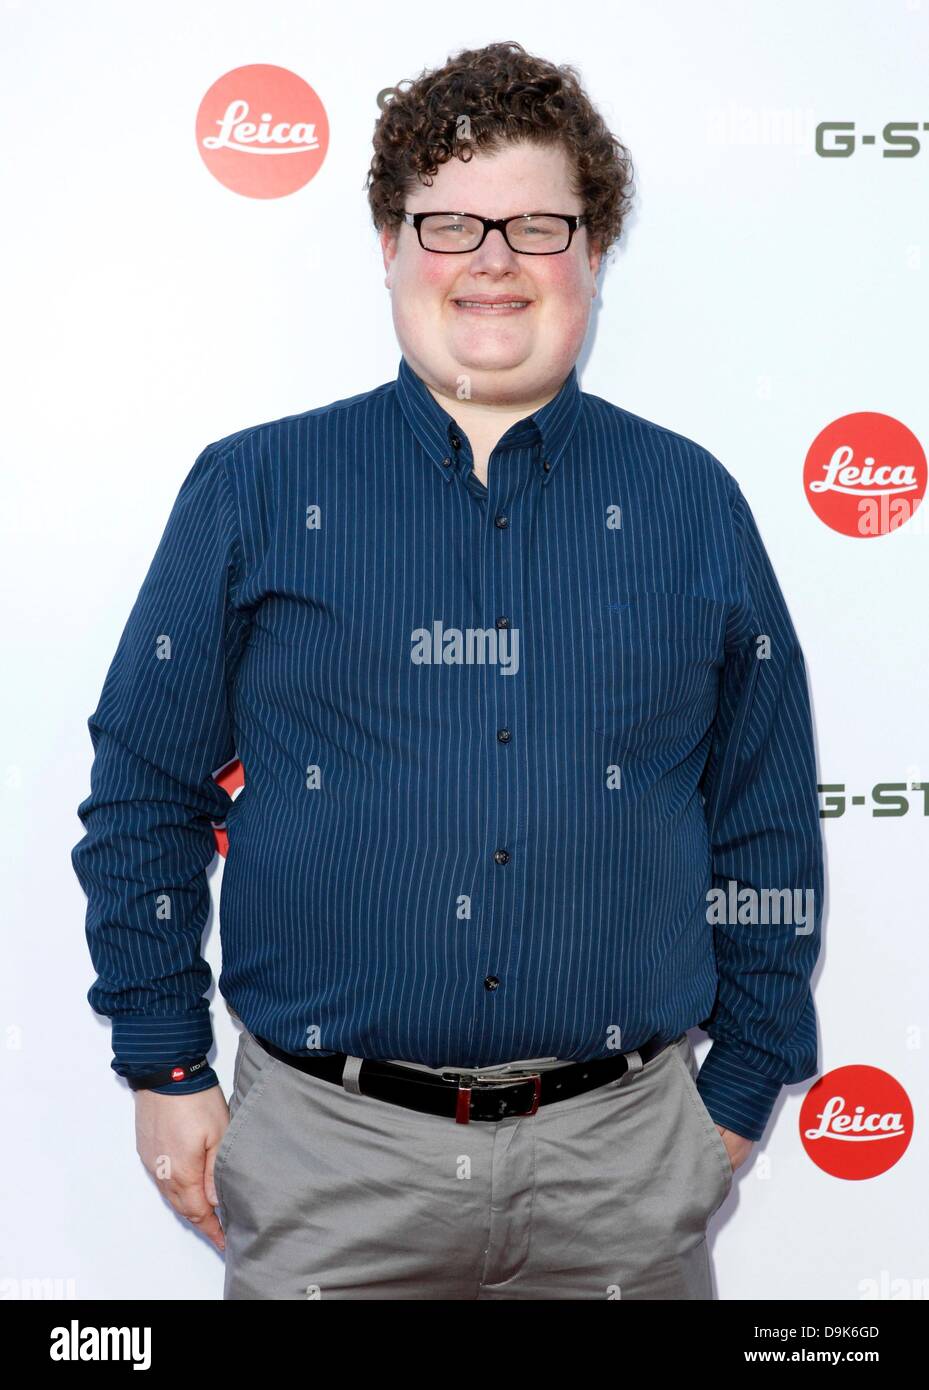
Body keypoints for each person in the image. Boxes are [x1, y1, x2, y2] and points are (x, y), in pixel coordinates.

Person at [71, 40, 824, 1300]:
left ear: (591, 255)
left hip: (628, 1169)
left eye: (537, 224)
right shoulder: (254, 489)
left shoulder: (690, 501)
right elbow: (146, 791)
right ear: (386, 243)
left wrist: (738, 1087)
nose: (490, 259)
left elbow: (761, 819)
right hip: (322, 1163)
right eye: (448, 222)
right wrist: (164, 1063)